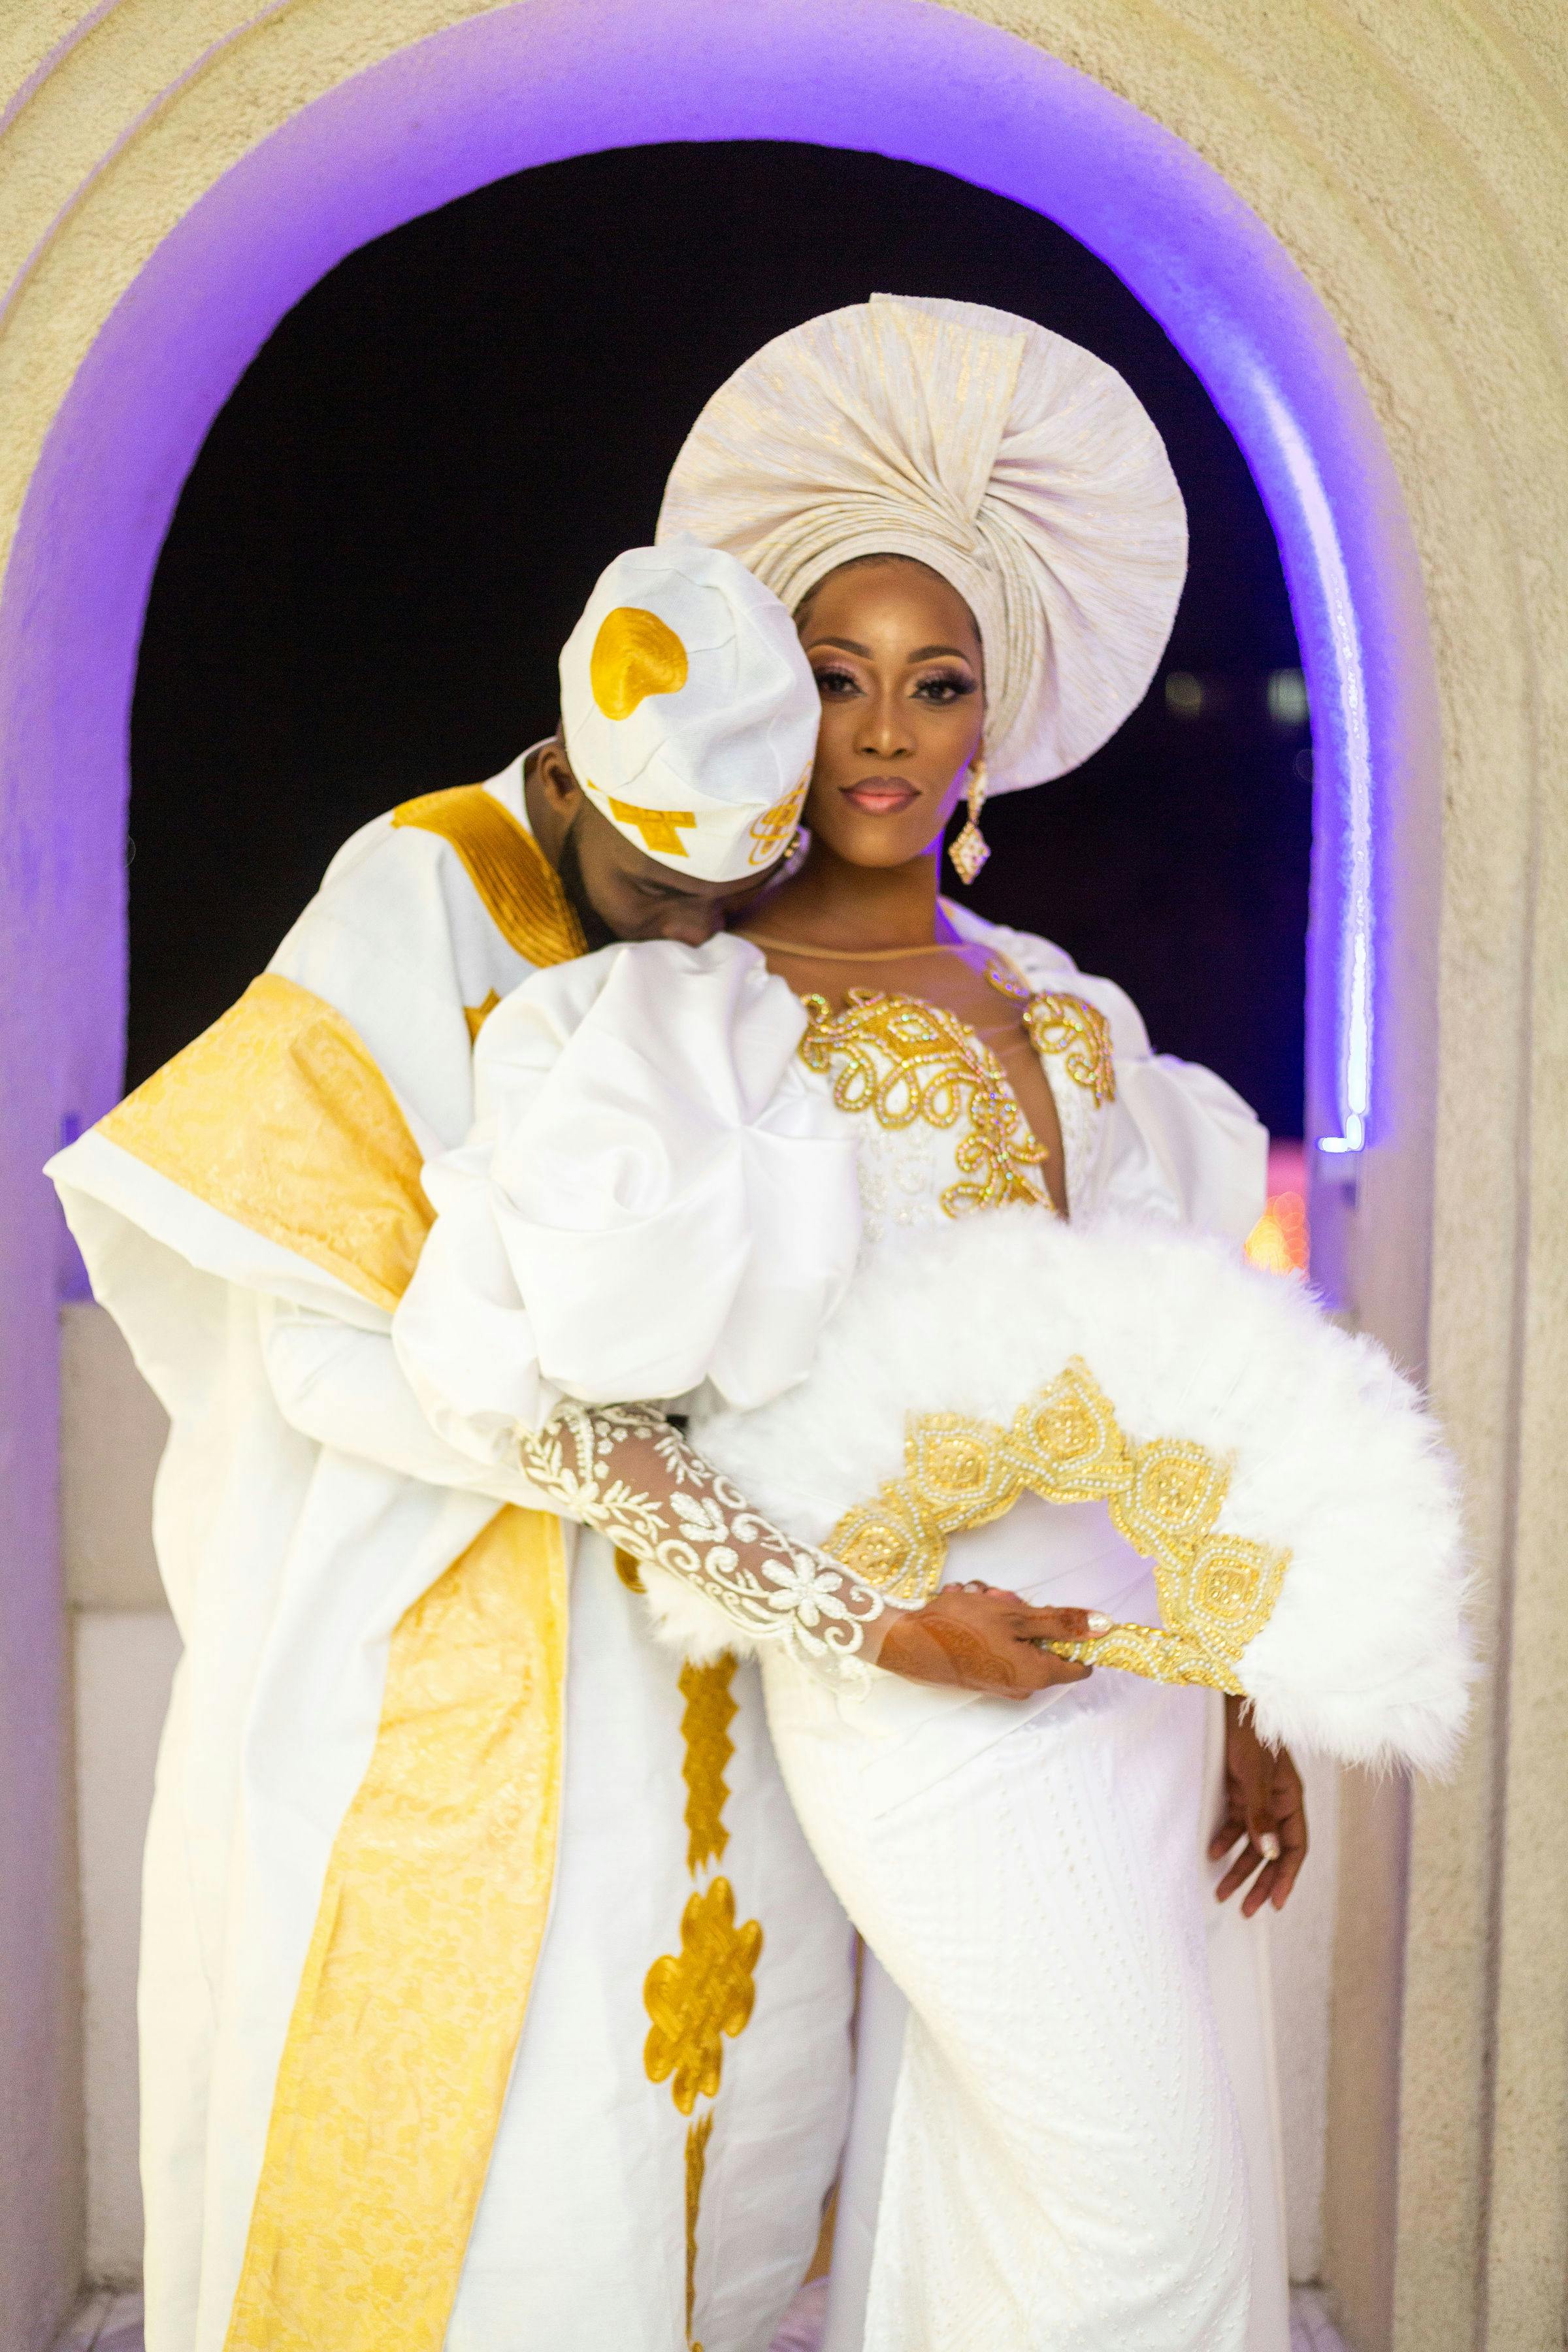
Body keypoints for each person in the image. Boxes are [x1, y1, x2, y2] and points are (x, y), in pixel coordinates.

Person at [49, 537, 1096, 2352]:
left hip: (684, 1650)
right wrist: (609, 1453)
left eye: (731, 887)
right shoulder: (417, 890)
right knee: (501, 2144)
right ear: (562, 776)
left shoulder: (687, 925)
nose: (692, 931)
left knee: (700, 2114)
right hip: (444, 1638)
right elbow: (315, 1352)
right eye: (651, 883)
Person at [395, 298, 1307, 2351]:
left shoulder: (1077, 1012)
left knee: (1029, 2203)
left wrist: (1247, 1689)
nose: (886, 731)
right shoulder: (683, 1021)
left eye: (937, 683)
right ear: (768, 714)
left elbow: (1170, 1368)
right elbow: (530, 1407)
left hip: (1139, 1681)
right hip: (914, 1692)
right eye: (835, 679)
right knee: (1138, 2216)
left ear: (993, 725)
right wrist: (876, 1624)